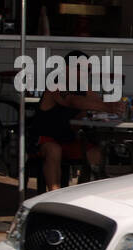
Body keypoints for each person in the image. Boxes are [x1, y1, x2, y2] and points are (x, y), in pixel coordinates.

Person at [31, 50, 106, 191]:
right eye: (81, 69)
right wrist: (106, 106)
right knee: (54, 149)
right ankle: (55, 194)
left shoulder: (83, 87)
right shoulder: (56, 84)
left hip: (68, 139)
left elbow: (97, 102)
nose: (85, 73)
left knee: (95, 151)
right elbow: (72, 101)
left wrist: (109, 106)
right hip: (44, 139)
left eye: (88, 70)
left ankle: (82, 193)